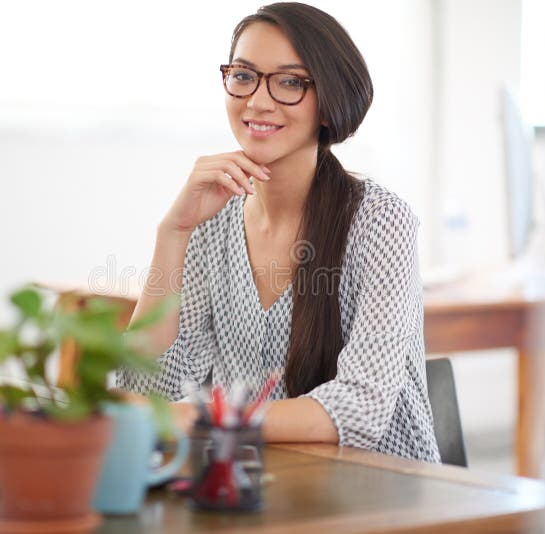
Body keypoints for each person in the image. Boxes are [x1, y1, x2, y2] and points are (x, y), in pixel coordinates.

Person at [118, 2, 440, 462]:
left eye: (290, 82)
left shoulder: (381, 222)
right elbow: (144, 390)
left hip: (383, 500)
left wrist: (199, 416)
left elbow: (359, 408)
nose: (258, 100)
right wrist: (173, 231)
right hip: (261, 493)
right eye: (244, 76)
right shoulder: (211, 223)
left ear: (329, 104)